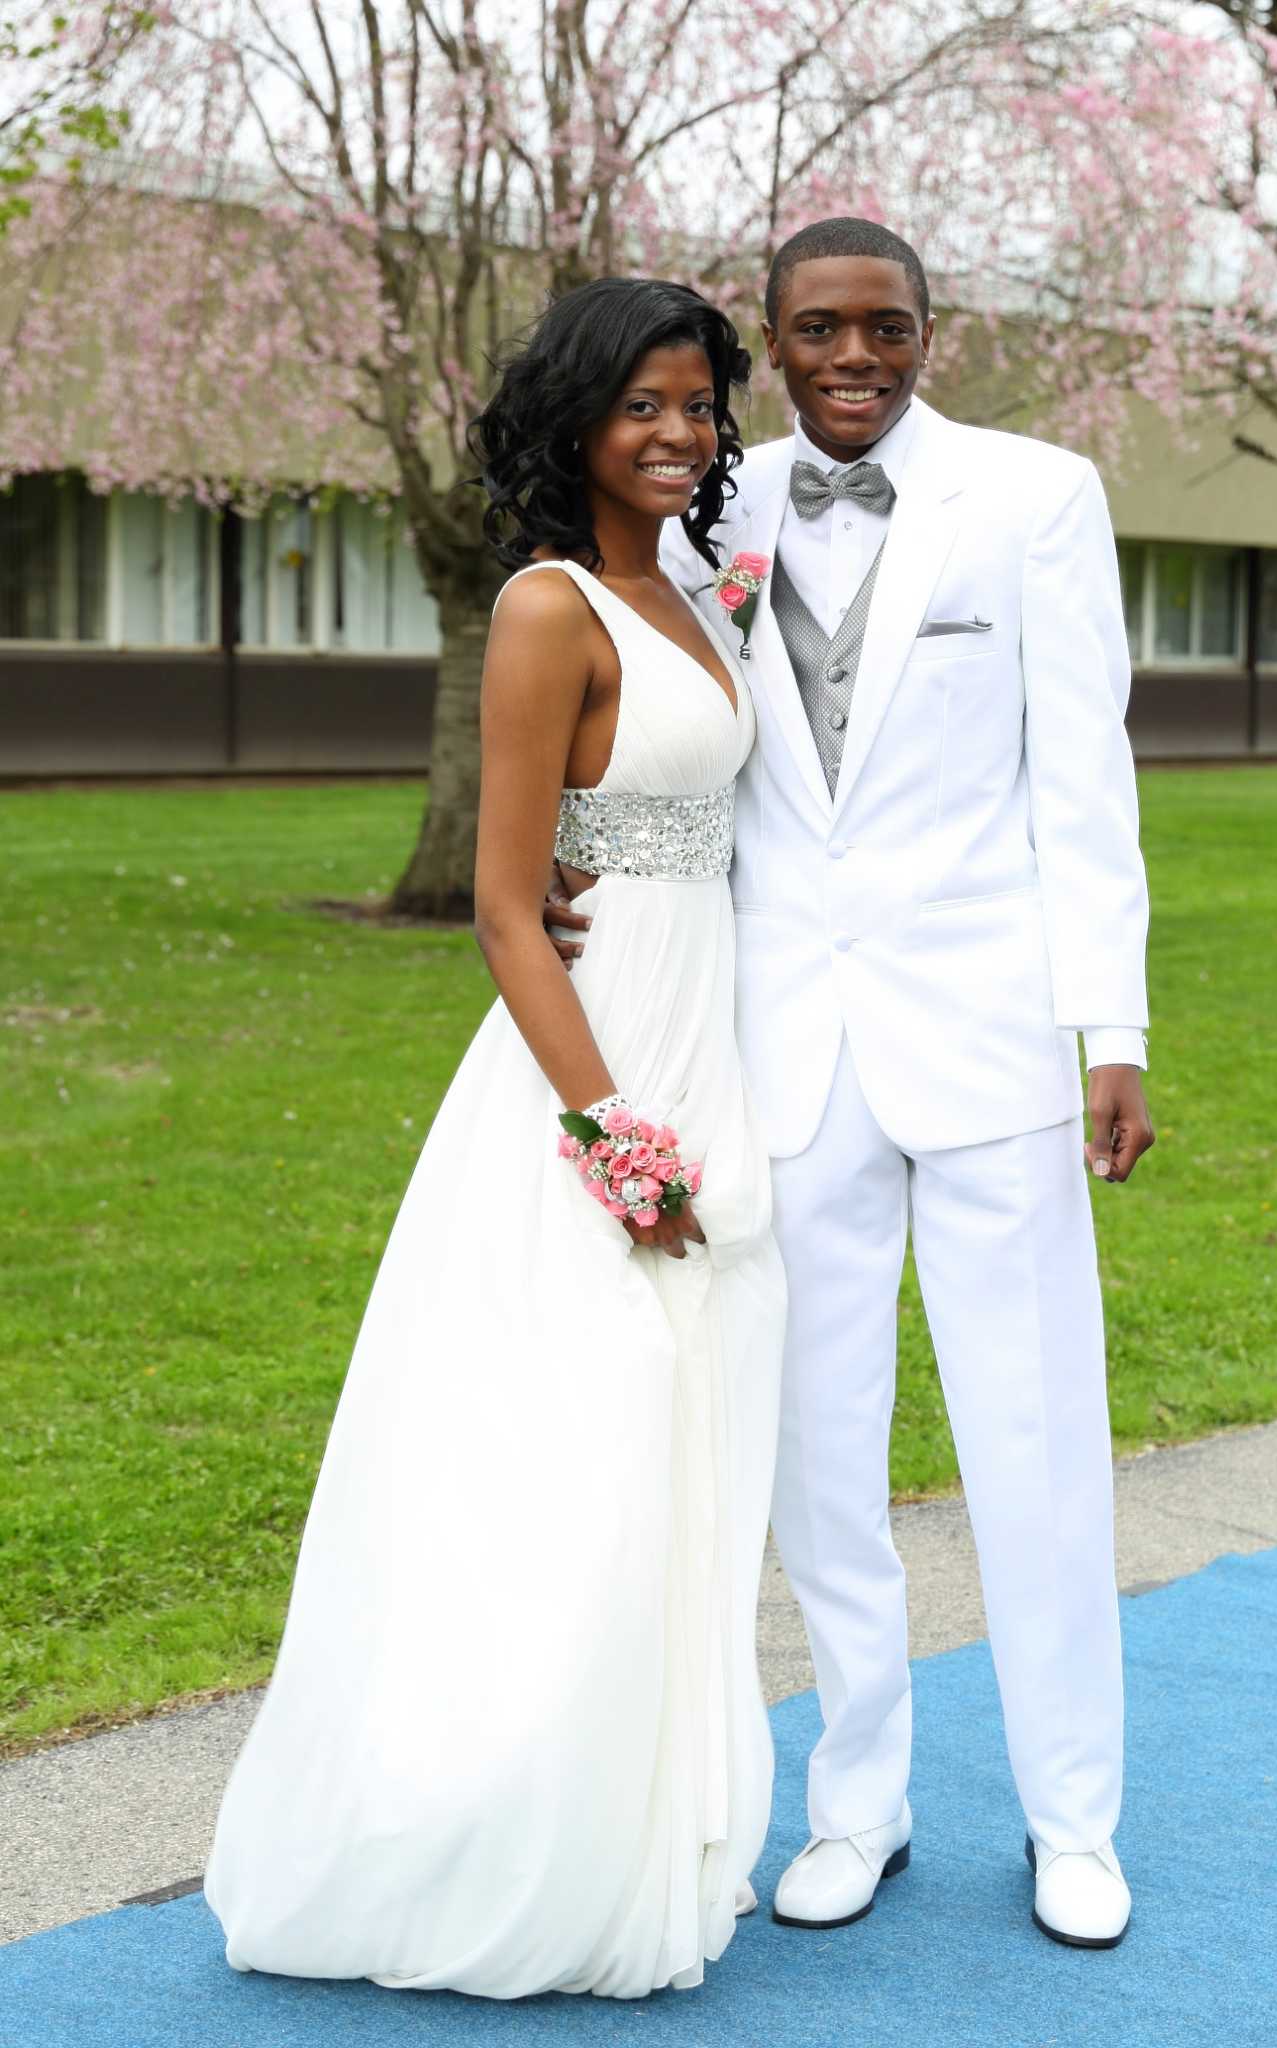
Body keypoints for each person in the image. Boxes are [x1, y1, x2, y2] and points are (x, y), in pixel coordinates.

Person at [551, 218, 1154, 1949]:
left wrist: (1107, 1031)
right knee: (816, 1459)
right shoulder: (708, 506)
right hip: (778, 1052)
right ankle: (856, 1808)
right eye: (818, 330)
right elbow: (682, 746)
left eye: (882, 328)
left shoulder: (1036, 497)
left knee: (1032, 1443)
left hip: (984, 1049)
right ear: (773, 336)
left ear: (923, 330)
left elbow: (1080, 784)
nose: (852, 358)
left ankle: (1070, 1822)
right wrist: (579, 861)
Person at [204, 278, 786, 2000]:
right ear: (573, 421)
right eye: (642, 409)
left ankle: (644, 1820)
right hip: (596, 1086)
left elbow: (662, 833)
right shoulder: (547, 609)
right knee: (567, 1464)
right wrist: (615, 1137)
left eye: (696, 406)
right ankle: (501, 1839)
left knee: (679, 1465)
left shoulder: (679, 592)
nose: (677, 436)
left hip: (708, 1026)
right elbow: (506, 907)